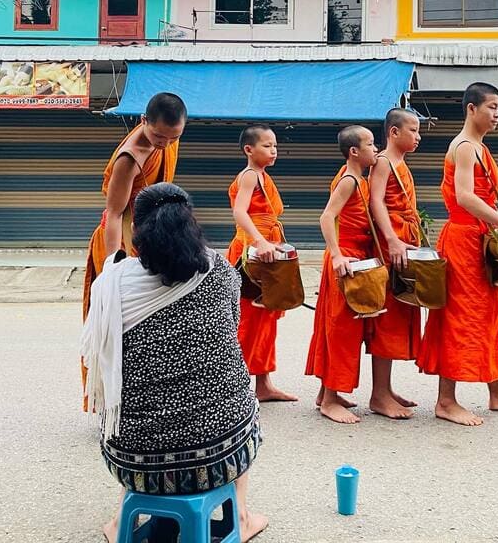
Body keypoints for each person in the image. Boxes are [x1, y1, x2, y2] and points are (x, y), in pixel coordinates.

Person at [81, 183, 267, 542]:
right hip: (219, 456)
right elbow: (230, 330)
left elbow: (98, 358)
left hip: (133, 463)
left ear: (138, 230)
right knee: (241, 395)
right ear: (190, 223)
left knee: (135, 406)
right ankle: (240, 516)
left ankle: (123, 519)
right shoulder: (221, 271)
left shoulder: (111, 284)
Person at [416, 82, 498, 426]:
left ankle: (496, 390)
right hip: (463, 238)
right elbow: (465, 196)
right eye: (491, 107)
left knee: (488, 314)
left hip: (480, 239)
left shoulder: (479, 147)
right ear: (472, 108)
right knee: (460, 316)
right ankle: (445, 400)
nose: (497, 114)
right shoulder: (465, 146)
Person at [305, 125, 417, 424]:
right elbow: (327, 216)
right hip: (347, 258)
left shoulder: (360, 178)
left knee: (344, 328)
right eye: (370, 144)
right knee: (342, 330)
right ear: (354, 151)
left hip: (356, 255)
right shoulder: (350, 180)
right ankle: (329, 400)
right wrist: (337, 254)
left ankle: (327, 393)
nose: (375, 149)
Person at [83, 92, 187, 321]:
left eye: (174, 137)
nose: (166, 144)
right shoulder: (129, 159)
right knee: (119, 315)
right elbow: (114, 214)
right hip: (122, 237)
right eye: (159, 136)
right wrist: (113, 267)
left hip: (151, 234)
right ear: (143, 121)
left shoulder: (168, 139)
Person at [226, 124, 297, 402]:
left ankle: (264, 383)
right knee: (248, 320)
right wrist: (259, 242)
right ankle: (236, 385)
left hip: (267, 248)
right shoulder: (249, 176)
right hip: (252, 253)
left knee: (266, 319)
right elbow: (239, 213)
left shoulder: (262, 176)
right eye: (267, 146)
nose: (274, 151)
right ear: (249, 149)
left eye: (275, 146)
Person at [368, 107, 424, 414]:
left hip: (405, 239)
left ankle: (386, 388)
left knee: (400, 314)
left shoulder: (400, 162)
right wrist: (391, 239)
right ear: (393, 132)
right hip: (393, 245)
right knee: (387, 317)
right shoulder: (384, 161)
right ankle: (378, 394)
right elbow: (376, 200)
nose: (418, 137)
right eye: (413, 130)